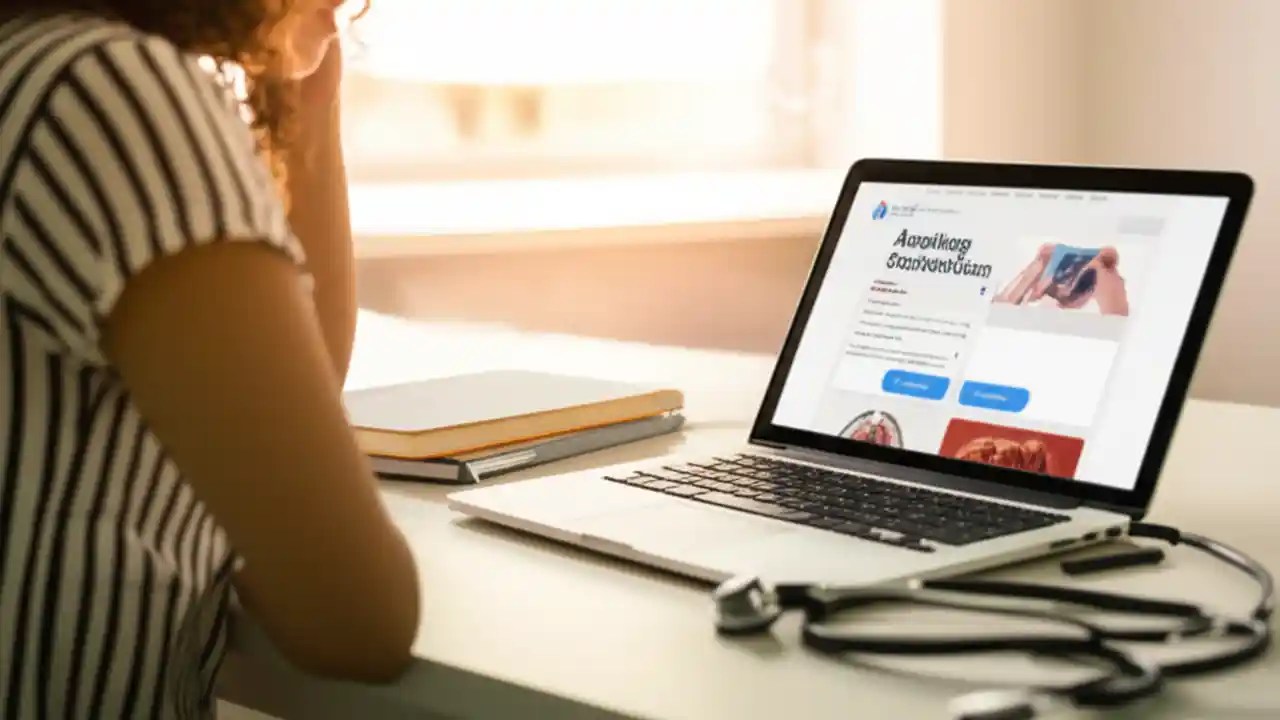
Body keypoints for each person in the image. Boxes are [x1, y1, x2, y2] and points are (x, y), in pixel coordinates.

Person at [0, 1, 421, 718]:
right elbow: (353, 615)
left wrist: (303, 104)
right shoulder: (109, 93)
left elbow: (288, 386)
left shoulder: (30, 65)